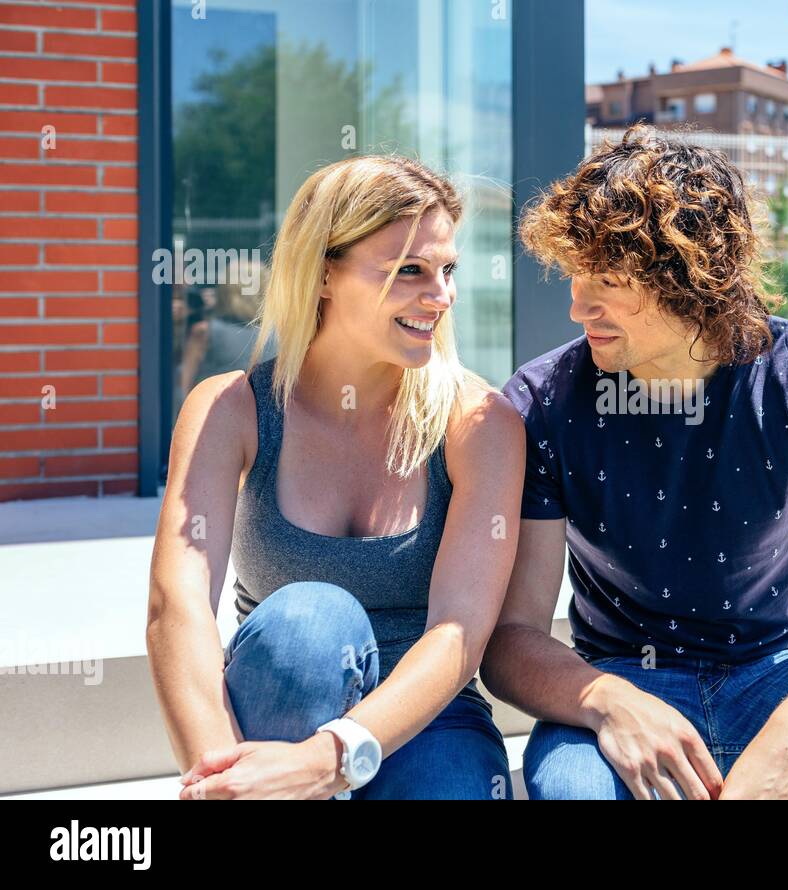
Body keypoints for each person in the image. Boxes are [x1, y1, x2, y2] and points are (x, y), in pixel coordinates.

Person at [481, 125, 788, 799]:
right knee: (575, 792)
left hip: (782, 665)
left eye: (608, 280)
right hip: (623, 672)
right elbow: (510, 636)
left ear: (689, 278)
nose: (576, 305)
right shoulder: (542, 401)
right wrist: (609, 702)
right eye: (574, 275)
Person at [146, 155, 524, 799]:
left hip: (429, 719)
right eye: (409, 270)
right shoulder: (229, 408)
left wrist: (337, 756)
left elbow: (461, 628)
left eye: (447, 270)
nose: (442, 296)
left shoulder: (478, 420)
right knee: (311, 620)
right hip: (284, 700)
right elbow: (175, 607)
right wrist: (219, 782)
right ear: (323, 272)